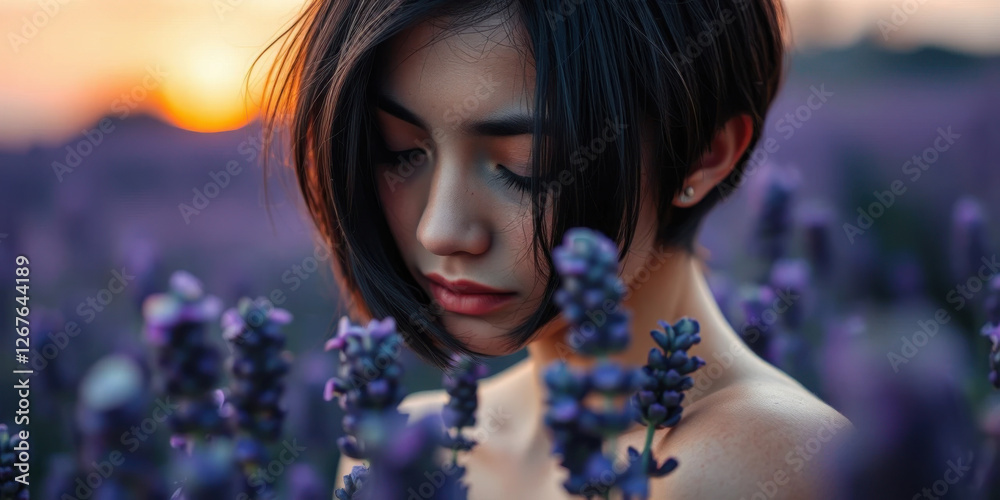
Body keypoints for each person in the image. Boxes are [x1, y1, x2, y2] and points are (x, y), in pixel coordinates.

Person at [256, 0, 851, 497]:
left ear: (705, 153)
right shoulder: (408, 443)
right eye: (400, 151)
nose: (439, 230)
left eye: (525, 166)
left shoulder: (771, 461)